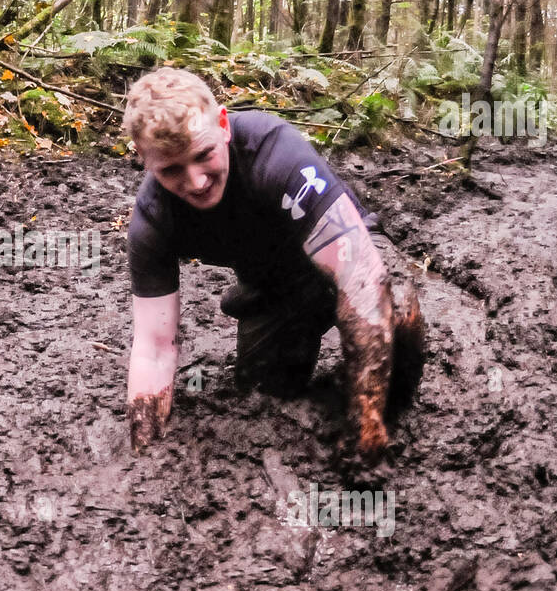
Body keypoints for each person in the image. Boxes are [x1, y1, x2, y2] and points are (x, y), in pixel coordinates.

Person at [123, 67, 425, 474]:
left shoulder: (273, 152)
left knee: (388, 313)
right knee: (263, 395)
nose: (195, 181)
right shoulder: (152, 219)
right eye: (171, 170)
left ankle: (395, 362)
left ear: (224, 125)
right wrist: (144, 449)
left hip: (352, 258)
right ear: (143, 160)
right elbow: (155, 346)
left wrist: (365, 433)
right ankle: (330, 381)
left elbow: (361, 280)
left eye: (202, 155)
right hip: (276, 288)